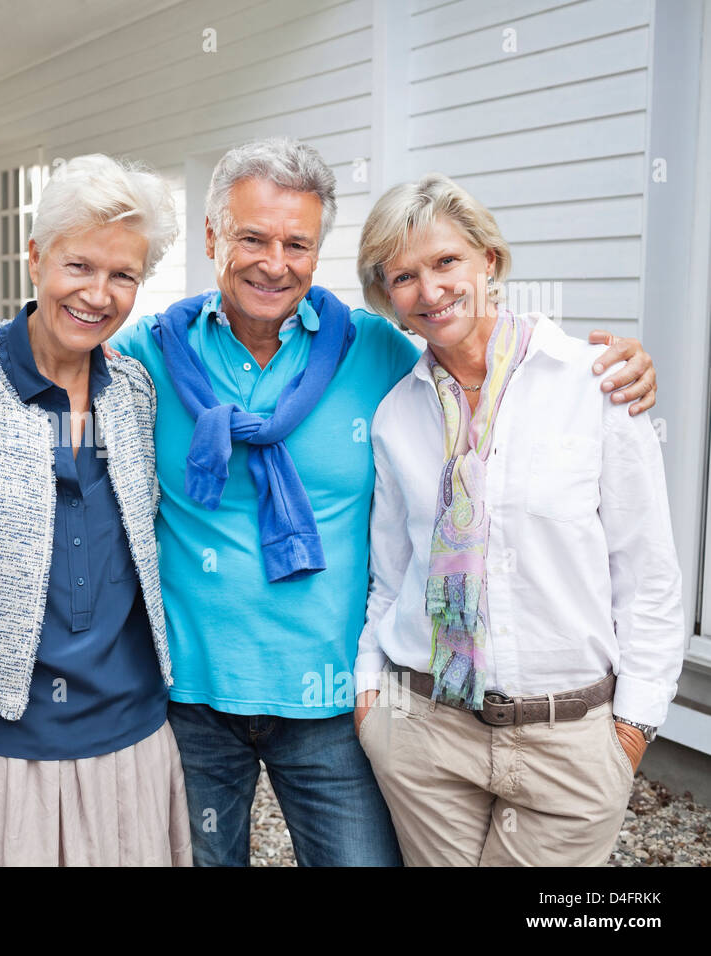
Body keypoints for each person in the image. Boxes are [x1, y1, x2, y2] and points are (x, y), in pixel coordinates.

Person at [105, 138, 658, 866]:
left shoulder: (377, 355)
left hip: (336, 703)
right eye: (252, 237)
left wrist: (618, 368)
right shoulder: (146, 352)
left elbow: (479, 357)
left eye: (296, 243)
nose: (275, 262)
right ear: (212, 237)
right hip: (192, 698)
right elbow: (56, 359)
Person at [351, 173, 684, 866]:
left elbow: (647, 575)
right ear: (390, 299)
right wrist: (369, 698)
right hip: (424, 730)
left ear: (489, 262)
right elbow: (390, 577)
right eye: (404, 276)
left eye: (446, 262)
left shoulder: (596, 385)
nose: (431, 289)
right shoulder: (396, 416)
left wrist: (631, 731)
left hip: (569, 735)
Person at [0, 154, 192, 866]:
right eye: (79, 266)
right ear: (35, 257)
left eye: (123, 275)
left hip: (131, 732)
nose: (99, 294)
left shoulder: (133, 392)